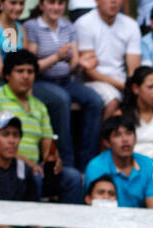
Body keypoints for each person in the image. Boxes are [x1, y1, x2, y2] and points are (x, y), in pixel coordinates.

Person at [0, 51, 85, 204]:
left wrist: (53, 157)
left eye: (30, 72)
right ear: (7, 75)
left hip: (32, 170)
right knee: (32, 175)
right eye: (20, 71)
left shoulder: (39, 106)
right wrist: (28, 164)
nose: (26, 76)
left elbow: (47, 141)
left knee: (73, 178)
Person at [26, 0, 105, 172]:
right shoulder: (31, 27)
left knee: (96, 101)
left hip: (66, 80)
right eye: (51, 3)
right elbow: (30, 66)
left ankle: (87, 163)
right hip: (40, 81)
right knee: (62, 99)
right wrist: (56, 57)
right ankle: (67, 164)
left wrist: (83, 64)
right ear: (41, 5)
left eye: (60, 3)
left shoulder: (68, 26)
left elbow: (73, 64)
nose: (56, 8)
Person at [76, 0, 142, 117]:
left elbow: (134, 69)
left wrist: (132, 87)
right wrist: (124, 86)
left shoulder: (131, 25)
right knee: (113, 99)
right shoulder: (83, 23)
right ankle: (103, 135)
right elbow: (89, 71)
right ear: (96, 1)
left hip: (122, 82)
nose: (113, 2)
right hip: (93, 82)